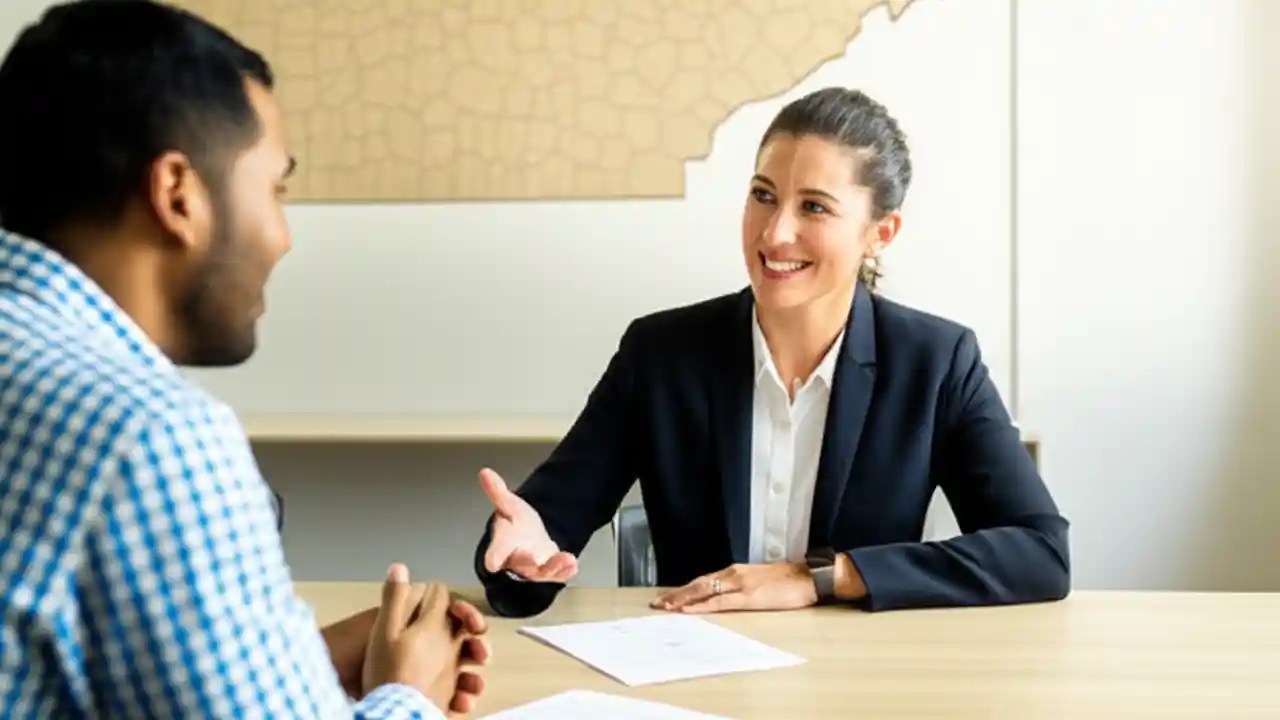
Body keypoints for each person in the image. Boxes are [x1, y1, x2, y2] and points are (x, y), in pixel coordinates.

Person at [0, 2, 487, 717]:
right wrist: (404, 694)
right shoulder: (153, 437)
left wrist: (295, 664)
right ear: (178, 195)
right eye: (276, 187)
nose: (285, 236)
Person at [475, 87, 1070, 618]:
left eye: (814, 207)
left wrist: (819, 579)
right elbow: (542, 528)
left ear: (879, 234)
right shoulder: (659, 355)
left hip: (862, 682)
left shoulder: (937, 362)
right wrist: (521, 555)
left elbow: (1040, 552)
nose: (774, 232)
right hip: (695, 674)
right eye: (763, 195)